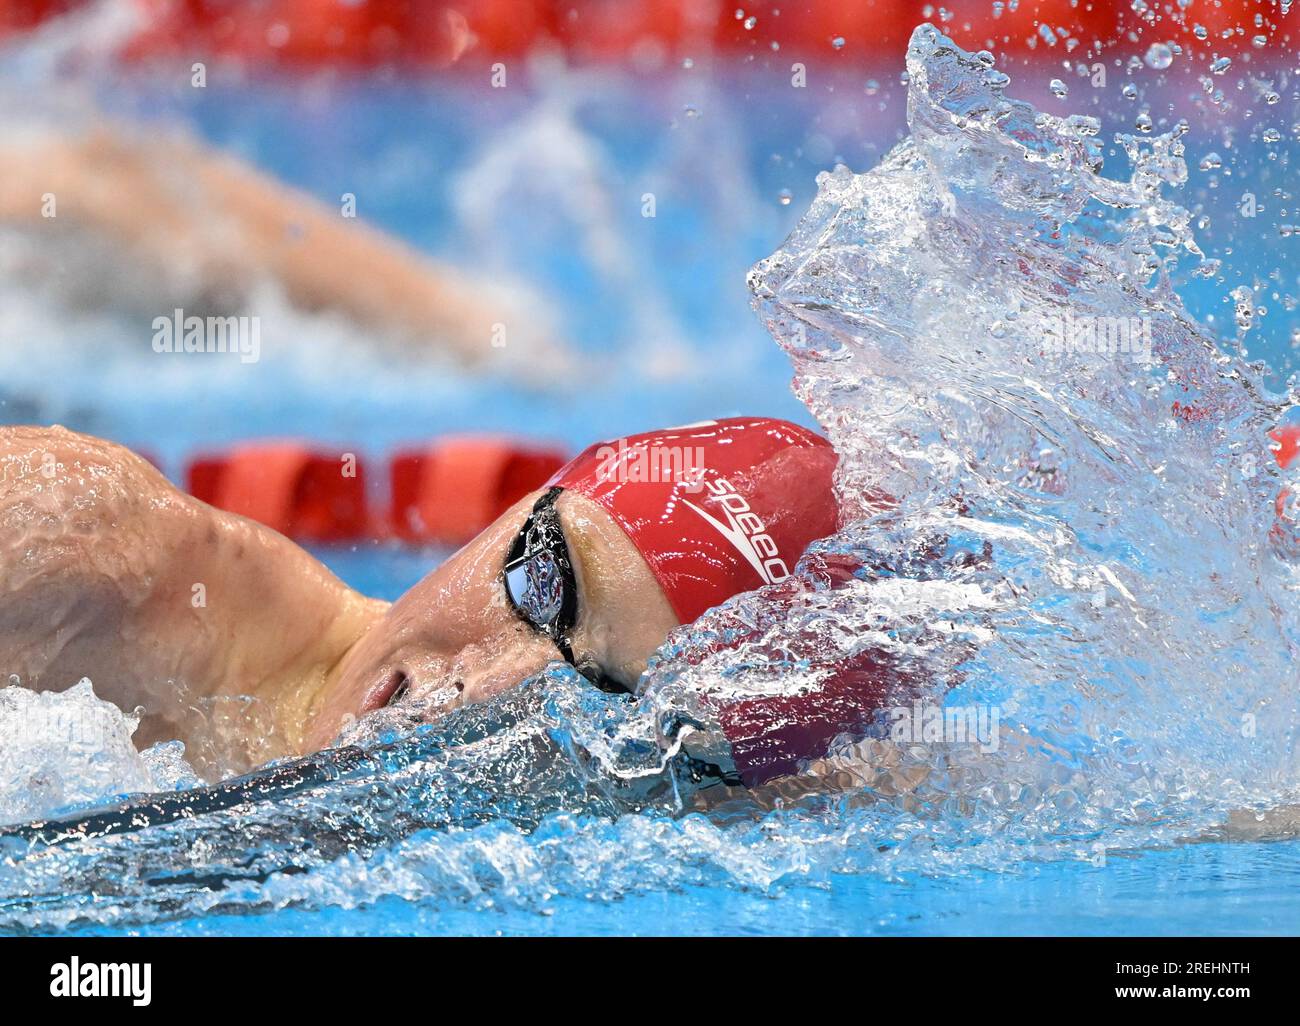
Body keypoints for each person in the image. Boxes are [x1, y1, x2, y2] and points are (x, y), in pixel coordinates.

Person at [0, 417, 838, 779]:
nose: (492, 690)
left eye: (607, 693)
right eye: (542, 583)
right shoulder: (96, 557)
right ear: (516, 508)